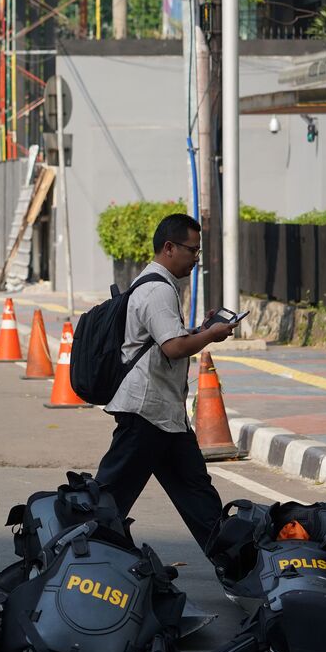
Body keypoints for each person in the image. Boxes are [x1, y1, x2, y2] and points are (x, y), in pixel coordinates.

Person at [95, 214, 237, 550]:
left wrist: (200, 333)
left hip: (165, 416)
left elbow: (167, 340)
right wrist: (212, 334)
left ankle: (236, 562)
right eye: (192, 251)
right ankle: (71, 556)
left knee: (197, 493)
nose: (195, 259)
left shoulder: (155, 284)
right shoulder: (158, 290)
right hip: (146, 412)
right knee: (107, 500)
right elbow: (173, 348)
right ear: (169, 247)